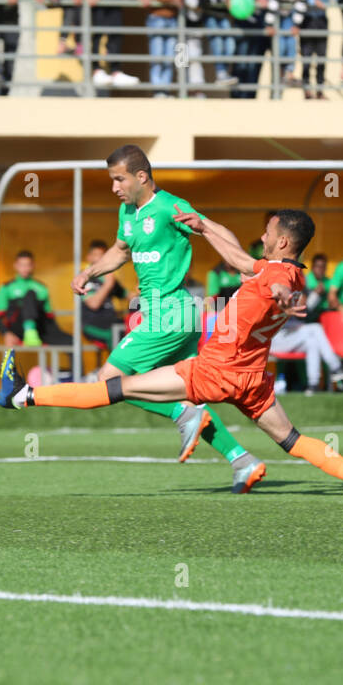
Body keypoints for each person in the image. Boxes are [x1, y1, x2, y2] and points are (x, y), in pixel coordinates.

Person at [0, 208, 343, 498]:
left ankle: (25, 396)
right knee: (291, 439)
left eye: (268, 233)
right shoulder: (281, 268)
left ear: (284, 240)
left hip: (214, 371)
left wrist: (283, 296)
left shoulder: (279, 276)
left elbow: (275, 285)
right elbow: (241, 258)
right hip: (251, 378)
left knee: (114, 386)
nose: (263, 237)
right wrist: (204, 226)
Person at [66, 144, 267, 493]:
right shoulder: (127, 212)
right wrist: (90, 272)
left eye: (119, 179)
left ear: (141, 176)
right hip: (172, 316)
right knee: (185, 395)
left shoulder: (169, 206)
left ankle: (183, 415)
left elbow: (212, 228)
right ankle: (242, 461)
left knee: (110, 379)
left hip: (170, 313)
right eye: (112, 180)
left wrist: (244, 267)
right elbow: (121, 250)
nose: (114, 187)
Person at [0, 251, 72, 348]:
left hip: (39, 329)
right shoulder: (6, 287)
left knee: (71, 341)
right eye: (22, 265)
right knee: (30, 294)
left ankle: (32, 332)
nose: (25, 268)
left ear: (33, 266)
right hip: (17, 329)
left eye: (27, 265)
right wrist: (6, 333)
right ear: (15, 266)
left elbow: (49, 316)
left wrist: (57, 333)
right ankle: (29, 331)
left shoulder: (42, 287)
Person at [80, 240, 127, 348]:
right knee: (115, 335)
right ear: (89, 257)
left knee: (133, 328)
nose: (100, 259)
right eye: (96, 255)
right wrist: (108, 284)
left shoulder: (109, 277)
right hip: (92, 325)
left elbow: (128, 295)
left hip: (112, 321)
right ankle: (116, 365)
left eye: (103, 255)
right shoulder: (84, 277)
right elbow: (93, 304)